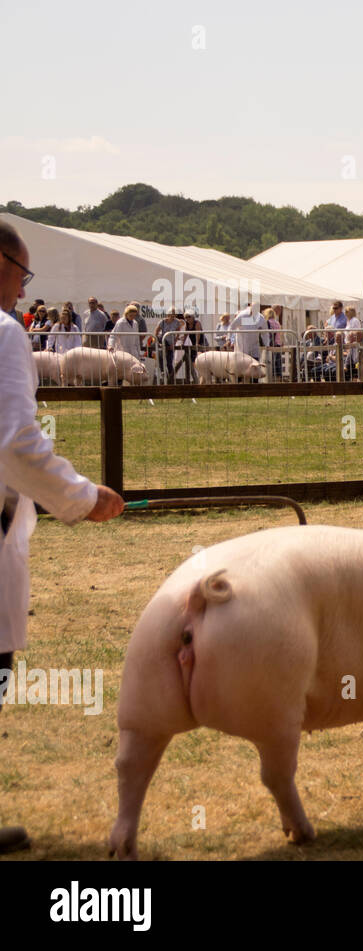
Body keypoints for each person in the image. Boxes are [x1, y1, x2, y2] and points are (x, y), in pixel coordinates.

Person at [0, 221, 124, 853]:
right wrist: (82, 498)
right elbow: (17, 443)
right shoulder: (2, 334)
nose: (23, 292)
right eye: (21, 275)